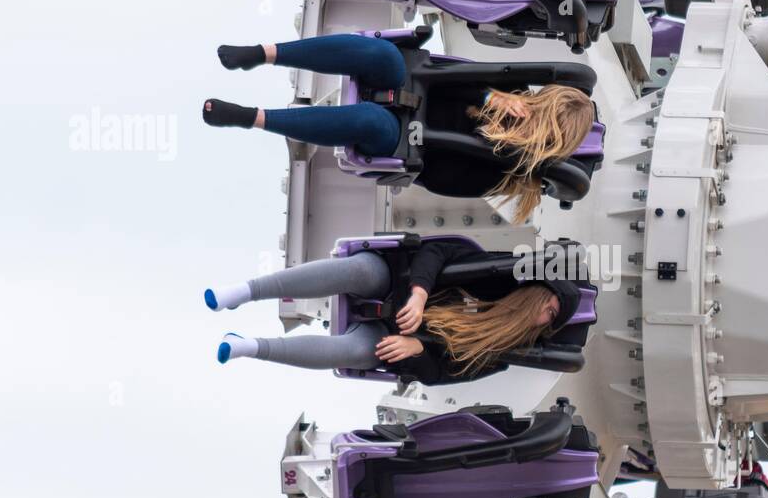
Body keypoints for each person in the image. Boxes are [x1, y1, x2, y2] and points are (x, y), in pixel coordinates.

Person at [201, 34, 596, 222]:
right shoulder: (508, 89)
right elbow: (452, 72)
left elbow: (439, 179)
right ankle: (262, 54)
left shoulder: (501, 174)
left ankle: (250, 117)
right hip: (412, 82)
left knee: (369, 120)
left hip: (405, 142)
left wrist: (479, 141)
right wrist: (490, 99)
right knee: (384, 54)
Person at [204, 238, 581, 384]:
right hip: (395, 281)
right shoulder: (497, 277)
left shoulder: (499, 354)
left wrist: (420, 348)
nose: (544, 315)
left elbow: (442, 374)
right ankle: (244, 292)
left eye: (551, 318)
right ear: (535, 292)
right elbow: (441, 251)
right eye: (548, 305)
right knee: (356, 271)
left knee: (352, 352)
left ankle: (249, 346)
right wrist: (419, 294)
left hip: (397, 339)